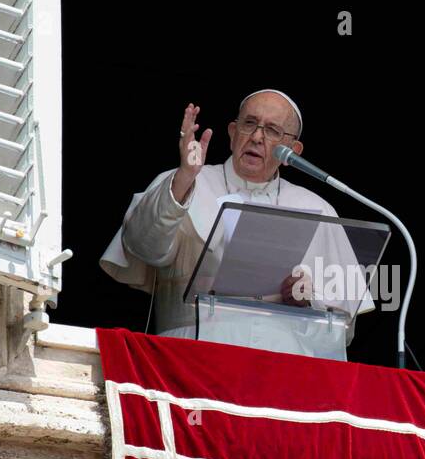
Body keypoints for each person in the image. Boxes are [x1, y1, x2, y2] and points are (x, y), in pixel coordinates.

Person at [100, 89, 373, 341]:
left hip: (281, 367)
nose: (257, 137)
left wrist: (309, 300)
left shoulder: (318, 209)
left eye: (272, 130)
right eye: (250, 124)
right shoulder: (184, 182)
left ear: (293, 150)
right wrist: (184, 178)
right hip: (190, 356)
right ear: (232, 132)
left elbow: (342, 331)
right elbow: (143, 247)